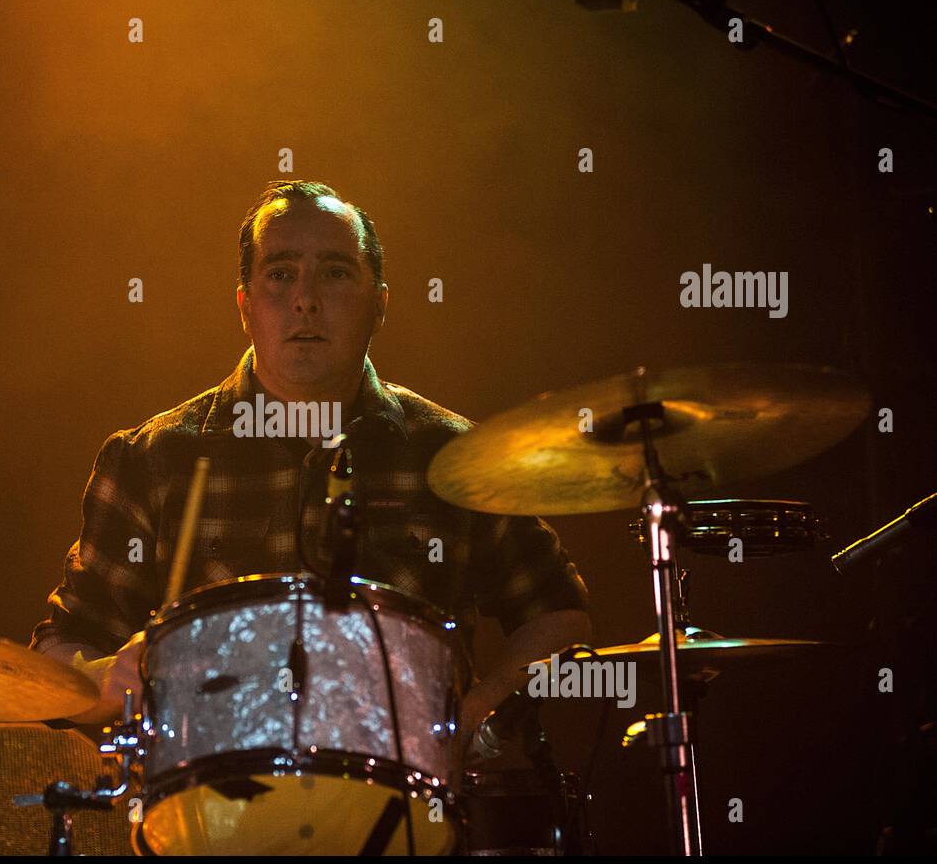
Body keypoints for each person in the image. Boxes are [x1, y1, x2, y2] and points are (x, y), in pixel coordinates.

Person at [31, 179, 591, 760]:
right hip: (214, 822)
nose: (305, 299)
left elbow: (559, 614)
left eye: (336, 272)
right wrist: (104, 680)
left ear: (381, 303)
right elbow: (59, 647)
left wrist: (475, 717)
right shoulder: (152, 458)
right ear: (244, 305)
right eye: (280, 273)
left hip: (410, 819)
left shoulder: (455, 456)